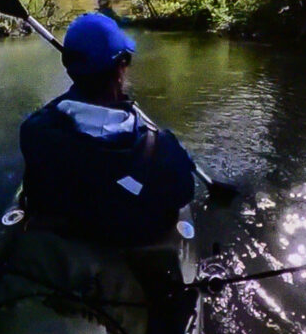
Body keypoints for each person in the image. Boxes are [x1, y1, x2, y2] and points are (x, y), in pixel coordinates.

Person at [19, 13, 196, 246]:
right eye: (127, 60)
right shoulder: (162, 148)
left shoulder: (34, 132)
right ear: (121, 66)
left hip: (62, 254)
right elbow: (184, 193)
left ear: (69, 67)